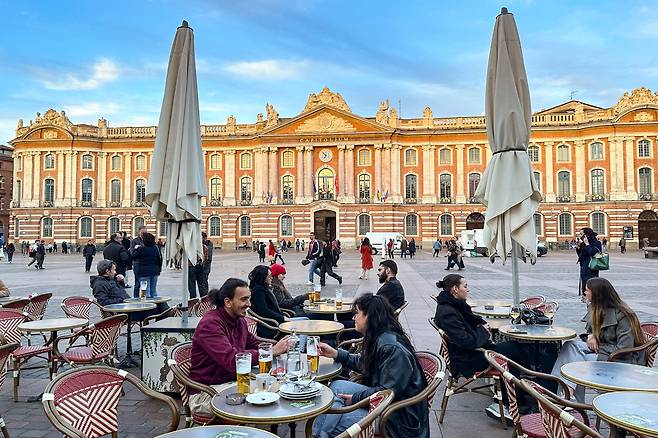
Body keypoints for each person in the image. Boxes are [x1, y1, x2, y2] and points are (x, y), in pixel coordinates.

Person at [434, 274, 555, 417]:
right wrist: (483, 331)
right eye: (465, 286)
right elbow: (466, 341)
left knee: (516, 348)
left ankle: (517, 397)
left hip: (473, 351)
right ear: (455, 289)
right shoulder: (447, 312)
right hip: (467, 358)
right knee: (515, 351)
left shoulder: (454, 305)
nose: (468, 290)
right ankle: (514, 401)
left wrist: (481, 326)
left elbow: (471, 322)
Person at [313, 294, 430, 438]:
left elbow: (388, 392)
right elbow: (366, 365)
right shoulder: (380, 336)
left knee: (334, 422)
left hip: (397, 419)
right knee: (335, 387)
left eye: (357, 313)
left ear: (370, 316)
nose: (353, 317)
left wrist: (355, 398)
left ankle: (318, 435)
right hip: (389, 404)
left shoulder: (391, 348)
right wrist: (337, 354)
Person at [188, 278, 292, 417]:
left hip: (232, 383)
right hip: (206, 392)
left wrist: (281, 345)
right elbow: (232, 360)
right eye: (244, 299)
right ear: (227, 302)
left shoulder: (239, 320)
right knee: (263, 402)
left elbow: (254, 344)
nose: (249, 304)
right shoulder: (210, 324)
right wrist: (271, 351)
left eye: (249, 299)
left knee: (280, 389)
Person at [551, 277, 646, 401]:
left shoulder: (623, 315)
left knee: (575, 362)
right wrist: (591, 336)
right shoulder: (596, 309)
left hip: (620, 360)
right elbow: (591, 331)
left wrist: (599, 347)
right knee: (570, 345)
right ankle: (568, 394)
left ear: (597, 294)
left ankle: (568, 397)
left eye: (587, 290)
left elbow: (625, 349)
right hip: (603, 352)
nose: (584, 293)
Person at [132, 233, 163, 298]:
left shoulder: (141, 249)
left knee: (145, 292)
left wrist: (135, 248)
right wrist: (159, 269)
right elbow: (160, 259)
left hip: (144, 272)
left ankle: (148, 306)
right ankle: (156, 306)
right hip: (155, 271)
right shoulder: (156, 248)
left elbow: (133, 256)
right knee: (153, 291)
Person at [576, 227, 602, 299]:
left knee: (591, 283)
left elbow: (592, 253)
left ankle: (593, 298)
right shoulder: (583, 243)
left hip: (592, 267)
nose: (580, 236)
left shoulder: (596, 243)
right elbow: (581, 255)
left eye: (581, 234)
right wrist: (578, 248)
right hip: (584, 266)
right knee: (584, 282)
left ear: (586, 235)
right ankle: (585, 296)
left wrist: (587, 244)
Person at [130, 225, 147, 298]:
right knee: (137, 283)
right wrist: (140, 249)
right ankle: (136, 298)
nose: (144, 234)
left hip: (145, 264)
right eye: (143, 232)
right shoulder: (135, 241)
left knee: (145, 283)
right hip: (137, 263)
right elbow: (132, 253)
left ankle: (144, 297)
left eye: (146, 232)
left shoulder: (147, 240)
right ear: (139, 232)